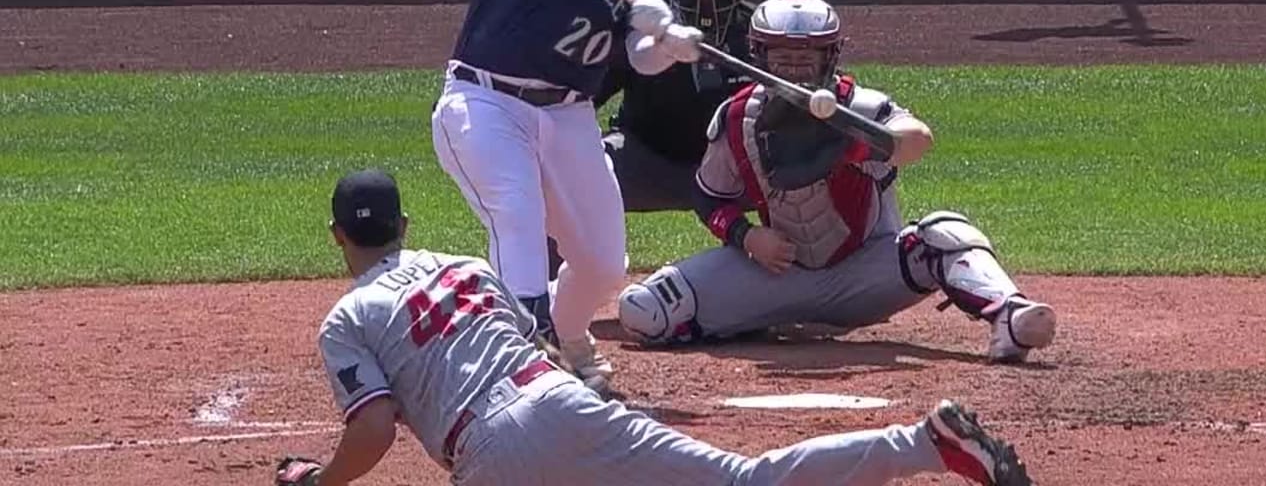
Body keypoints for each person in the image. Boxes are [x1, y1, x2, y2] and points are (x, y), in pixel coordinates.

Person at [276, 169, 1034, 486]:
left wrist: (320, 481)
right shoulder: (467, 268)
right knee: (744, 481)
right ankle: (923, 443)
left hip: (492, 449)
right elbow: (536, 347)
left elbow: (372, 430)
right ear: (405, 225)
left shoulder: (347, 319)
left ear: (337, 235)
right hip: (563, 400)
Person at [616, 0, 1059, 363]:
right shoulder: (736, 117)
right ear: (759, 55)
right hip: (777, 275)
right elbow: (709, 198)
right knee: (645, 310)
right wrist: (746, 237)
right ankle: (752, 323)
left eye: (806, 58)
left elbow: (918, 139)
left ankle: (1011, 316)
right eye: (782, 58)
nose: (794, 69)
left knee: (944, 232)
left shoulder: (860, 108)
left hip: (866, 275)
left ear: (830, 56)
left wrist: (853, 143)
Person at [430, 0, 706, 393]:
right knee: (518, 217)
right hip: (486, 98)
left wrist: (666, 48)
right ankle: (524, 361)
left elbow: (637, 56)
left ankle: (567, 332)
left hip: (568, 115)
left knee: (603, 263)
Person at [544, 0, 758, 278]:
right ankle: (539, 289)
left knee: (800, 178)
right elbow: (585, 95)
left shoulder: (760, 32)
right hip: (647, 160)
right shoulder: (644, 30)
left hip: (734, 168)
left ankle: (799, 281)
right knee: (566, 178)